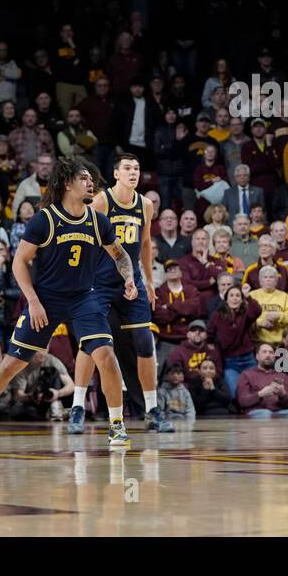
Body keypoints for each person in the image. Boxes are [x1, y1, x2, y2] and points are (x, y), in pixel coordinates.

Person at [0, 157, 139, 450]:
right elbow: (19, 263)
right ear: (67, 183)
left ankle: (116, 426)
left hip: (83, 297)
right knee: (12, 363)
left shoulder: (98, 220)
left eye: (92, 179)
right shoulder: (45, 219)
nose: (91, 183)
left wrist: (128, 278)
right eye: (84, 178)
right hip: (46, 298)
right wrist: (33, 301)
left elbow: (120, 254)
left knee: (106, 354)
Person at [68, 153, 171, 434]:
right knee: (90, 342)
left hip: (132, 281)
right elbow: (87, 238)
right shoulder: (102, 201)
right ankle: (77, 407)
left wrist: (149, 281)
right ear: (116, 174)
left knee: (144, 341)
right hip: (99, 283)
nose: (133, 172)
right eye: (127, 168)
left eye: (137, 168)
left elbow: (146, 243)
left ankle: (152, 409)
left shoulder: (146, 205)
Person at [236, 343, 288, 418]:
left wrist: (282, 395)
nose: (268, 355)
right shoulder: (246, 375)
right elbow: (242, 401)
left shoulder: (283, 376)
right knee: (266, 413)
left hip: (279, 412)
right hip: (257, 412)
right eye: (264, 352)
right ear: (257, 356)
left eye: (271, 352)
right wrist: (260, 394)